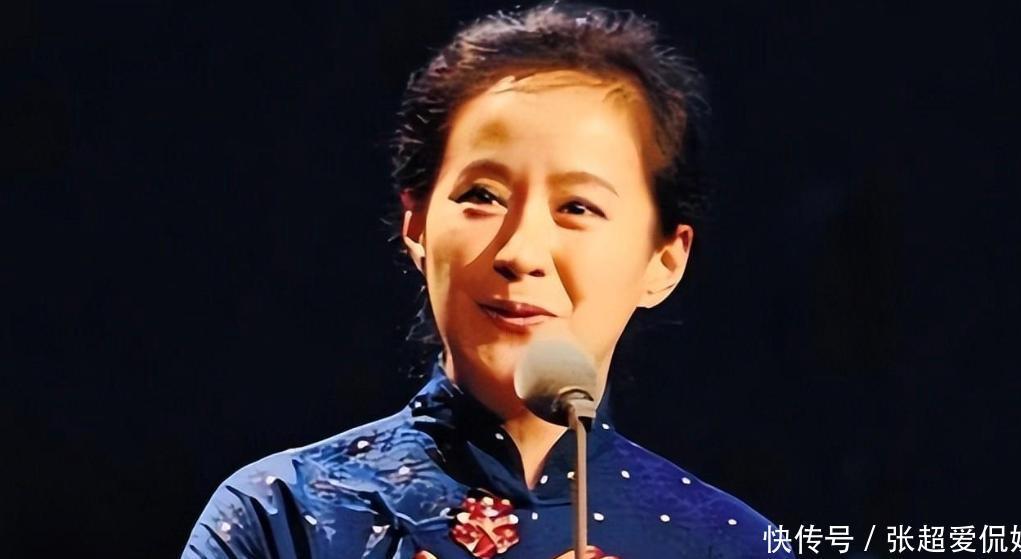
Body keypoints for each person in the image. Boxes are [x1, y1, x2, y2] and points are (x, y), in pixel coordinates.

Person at [182, 4, 794, 558]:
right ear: (417, 224)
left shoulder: (732, 545)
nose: (521, 252)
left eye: (577, 207)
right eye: (482, 196)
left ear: (664, 260)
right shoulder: (279, 516)